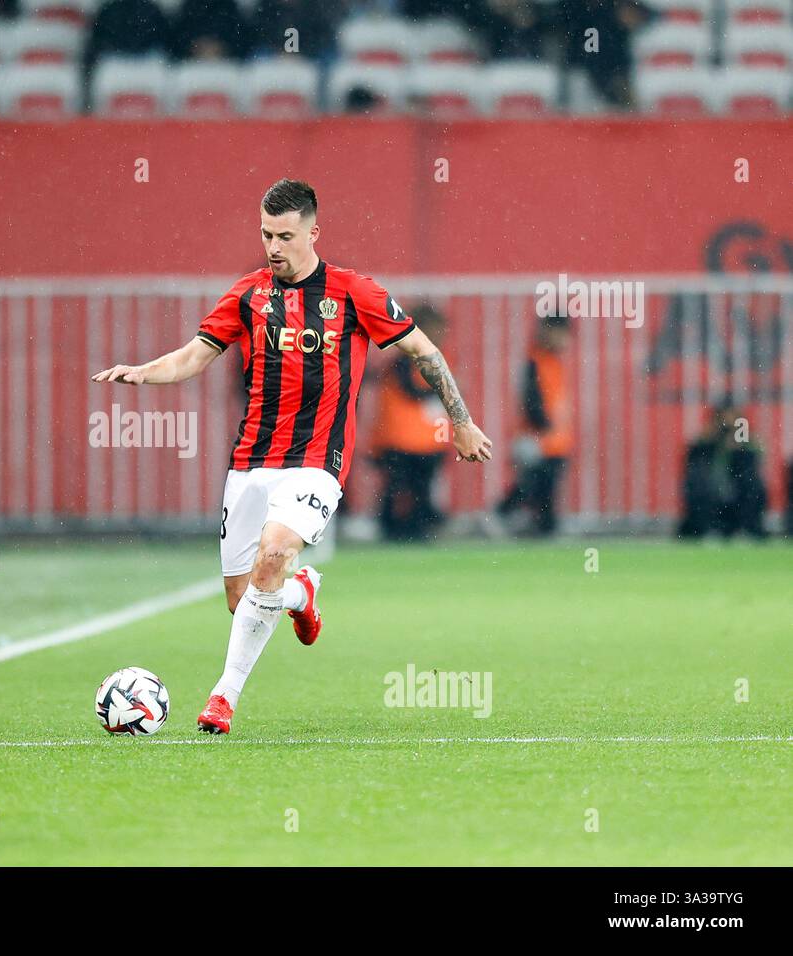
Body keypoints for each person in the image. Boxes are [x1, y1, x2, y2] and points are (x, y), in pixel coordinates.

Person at [93, 179, 493, 735]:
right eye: (266, 234)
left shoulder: (354, 293)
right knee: (245, 599)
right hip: (251, 462)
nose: (274, 247)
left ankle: (222, 699)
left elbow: (423, 350)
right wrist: (143, 371)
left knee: (273, 555)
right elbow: (193, 356)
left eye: (285, 235)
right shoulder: (248, 295)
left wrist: (462, 420)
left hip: (316, 461)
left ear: (313, 232)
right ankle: (303, 593)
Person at [371, 303, 451, 541]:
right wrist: (442, 390)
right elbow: (412, 389)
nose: (441, 335)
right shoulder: (404, 360)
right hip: (401, 440)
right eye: (436, 329)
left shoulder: (427, 359)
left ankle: (413, 528)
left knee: (417, 488)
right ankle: (396, 528)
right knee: (400, 488)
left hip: (424, 441)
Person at [497, 312, 572, 535]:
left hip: (556, 442)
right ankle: (504, 517)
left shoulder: (554, 363)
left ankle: (537, 526)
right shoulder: (534, 362)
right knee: (531, 488)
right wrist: (544, 425)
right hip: (538, 441)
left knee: (541, 491)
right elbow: (532, 401)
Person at [679, 400, 768, 539]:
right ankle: (706, 529)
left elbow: (755, 464)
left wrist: (740, 447)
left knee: (753, 486)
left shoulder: (746, 442)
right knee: (697, 484)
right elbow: (693, 464)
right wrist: (713, 442)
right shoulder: (704, 442)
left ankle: (746, 529)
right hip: (712, 493)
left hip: (738, 492)